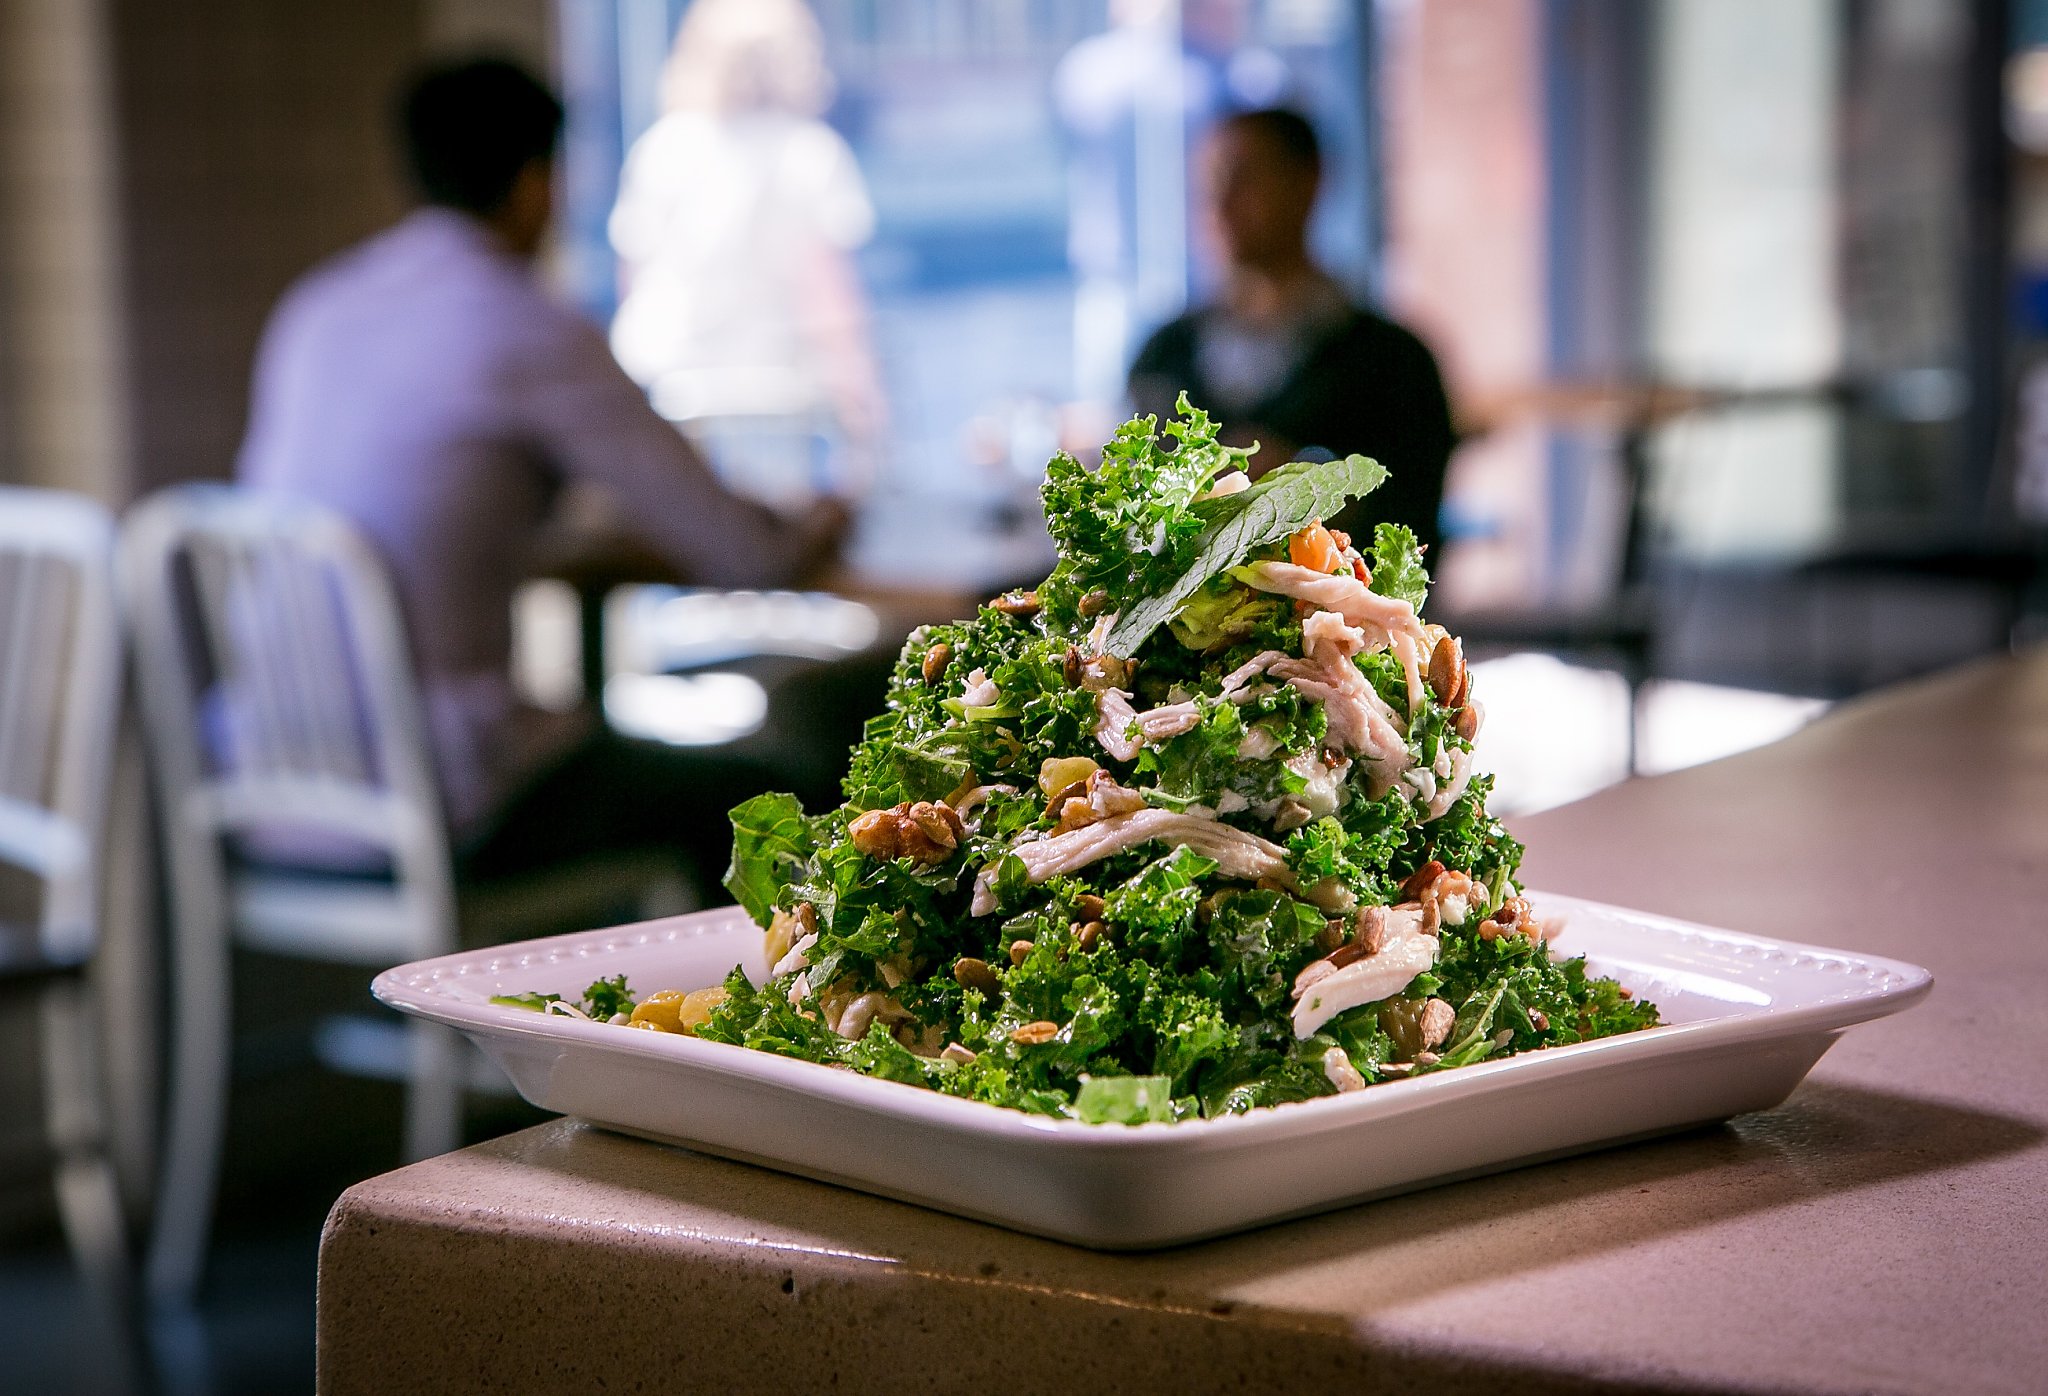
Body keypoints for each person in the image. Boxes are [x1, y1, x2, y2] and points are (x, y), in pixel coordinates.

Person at [235, 57, 844, 884]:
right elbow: (744, 556)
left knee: (603, 745)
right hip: (441, 801)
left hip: (267, 785)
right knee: (779, 797)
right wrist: (822, 520)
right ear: (534, 183)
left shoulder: (317, 309)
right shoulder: (525, 325)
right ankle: (690, 1012)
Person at [1127, 108, 1455, 556]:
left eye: (1243, 178)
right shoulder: (1163, 356)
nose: (1221, 201)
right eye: (1209, 183)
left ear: (1309, 182)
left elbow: (1412, 532)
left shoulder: (1392, 361)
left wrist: (1304, 486)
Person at [607, 0, 885, 501]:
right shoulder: (810, 154)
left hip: (670, 394)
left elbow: (632, 278)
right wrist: (864, 409)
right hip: (777, 405)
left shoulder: (661, 150)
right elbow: (829, 301)